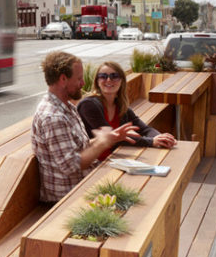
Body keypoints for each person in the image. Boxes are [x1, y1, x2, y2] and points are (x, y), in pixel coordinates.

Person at [31, 50, 139, 204]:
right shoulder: (53, 117)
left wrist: (109, 138)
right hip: (68, 198)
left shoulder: (66, 106)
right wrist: (102, 143)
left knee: (140, 186)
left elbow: (78, 147)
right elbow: (71, 166)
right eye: (79, 79)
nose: (83, 83)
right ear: (63, 79)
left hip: (84, 184)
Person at [77, 60, 177, 161]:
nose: (108, 80)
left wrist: (160, 138)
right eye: (103, 76)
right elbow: (113, 138)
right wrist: (151, 141)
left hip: (116, 157)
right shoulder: (89, 105)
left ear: (121, 81)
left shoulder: (120, 106)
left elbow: (145, 129)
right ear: (97, 81)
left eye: (114, 76)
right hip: (93, 163)